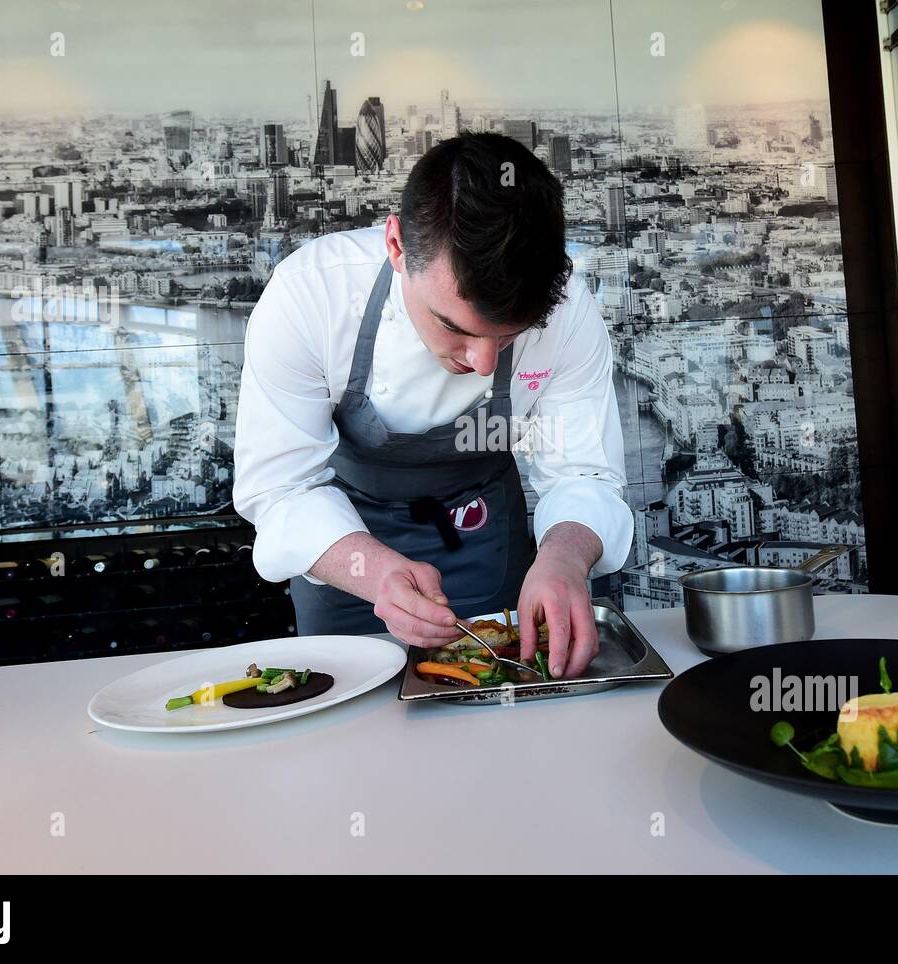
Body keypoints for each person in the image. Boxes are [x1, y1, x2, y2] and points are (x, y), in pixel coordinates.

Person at [234, 131, 632, 678]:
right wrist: (375, 573)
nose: (486, 363)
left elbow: (584, 473)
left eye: (512, 335)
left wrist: (564, 561)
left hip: (485, 534)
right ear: (396, 246)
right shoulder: (310, 297)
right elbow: (281, 487)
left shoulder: (568, 312)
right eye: (454, 327)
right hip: (347, 552)